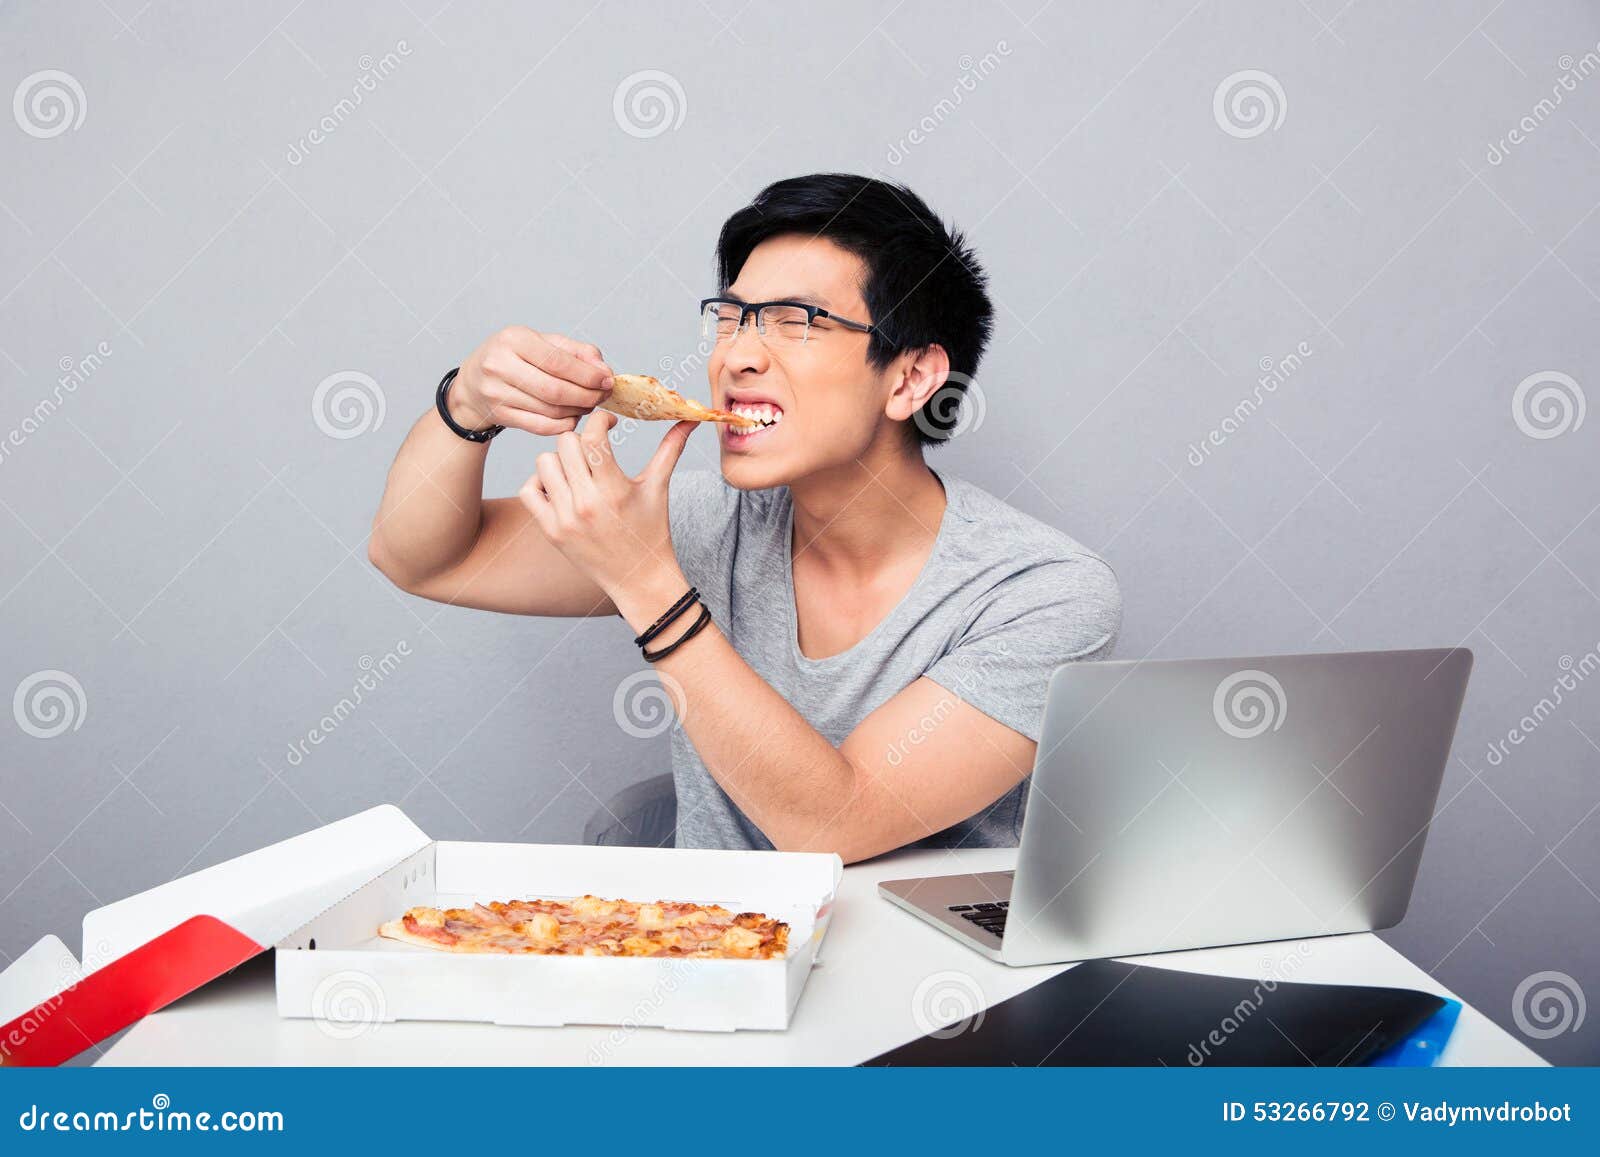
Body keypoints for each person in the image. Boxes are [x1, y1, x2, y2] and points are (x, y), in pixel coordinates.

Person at [369, 173, 1120, 863]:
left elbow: (838, 823)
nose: (736, 356)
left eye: (795, 321)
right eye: (730, 319)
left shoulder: (1042, 592)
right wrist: (465, 404)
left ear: (912, 377)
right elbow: (424, 557)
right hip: (709, 968)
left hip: (931, 992)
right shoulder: (702, 524)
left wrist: (645, 580)